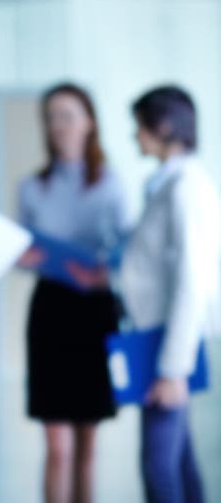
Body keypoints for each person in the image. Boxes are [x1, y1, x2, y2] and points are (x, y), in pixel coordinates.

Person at [17, 83, 127, 503]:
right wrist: (24, 257)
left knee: (88, 447)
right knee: (58, 448)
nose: (58, 125)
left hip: (94, 311)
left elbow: (127, 253)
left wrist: (105, 272)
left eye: (67, 114)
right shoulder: (32, 187)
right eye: (50, 116)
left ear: (89, 122)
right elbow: (21, 247)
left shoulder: (112, 185)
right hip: (50, 311)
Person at [121, 86, 218, 503]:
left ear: (161, 127)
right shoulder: (169, 183)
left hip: (169, 343)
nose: (134, 136)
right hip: (160, 336)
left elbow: (192, 281)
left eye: (138, 126)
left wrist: (172, 369)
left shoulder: (184, 188)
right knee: (179, 459)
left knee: (159, 465)